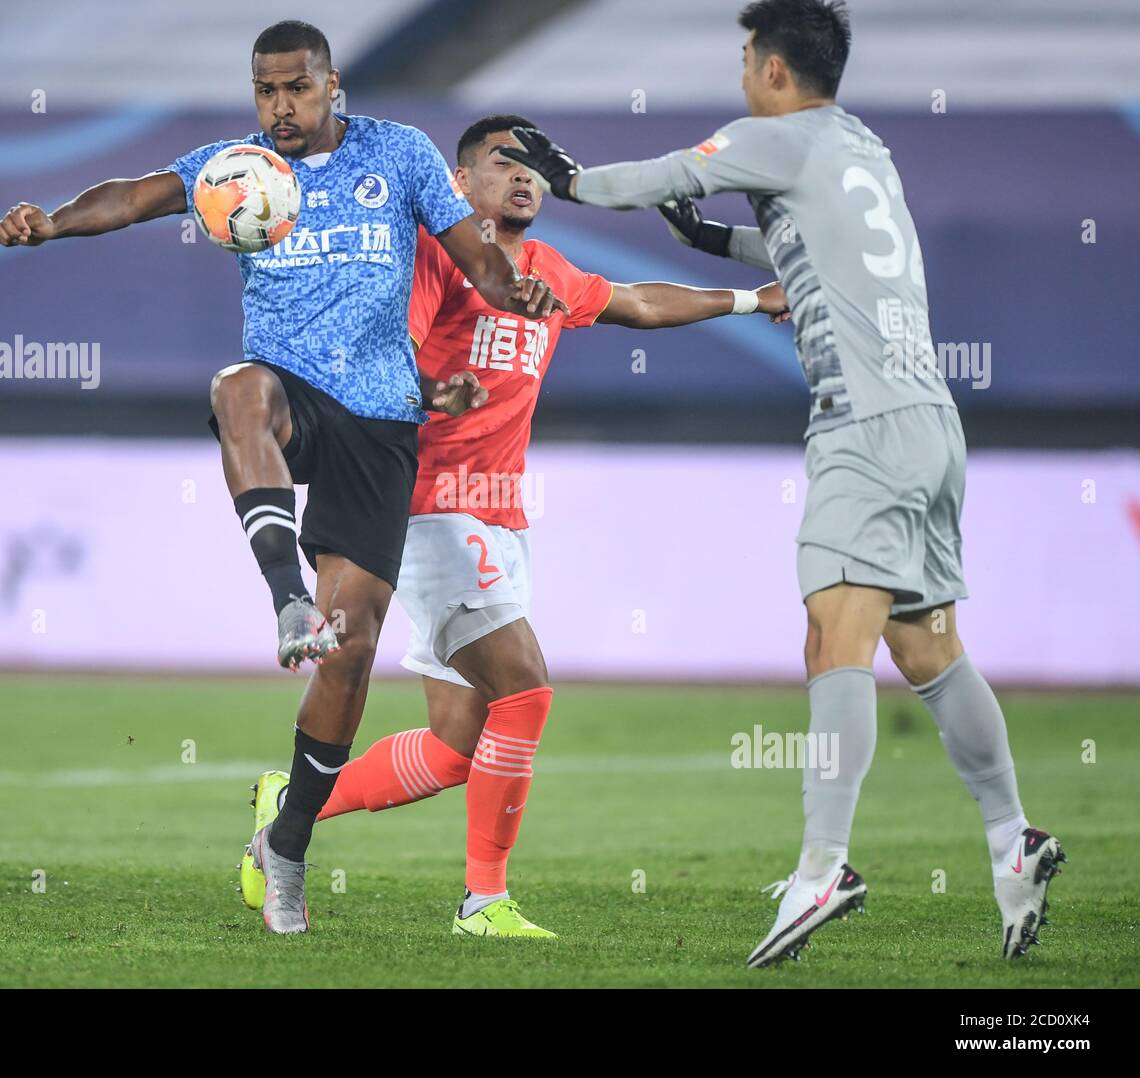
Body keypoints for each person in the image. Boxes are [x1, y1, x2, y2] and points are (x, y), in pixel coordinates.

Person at [496, 0, 1065, 966]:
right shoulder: (860, 148)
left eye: (744, 58)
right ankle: (1013, 840)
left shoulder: (778, 136)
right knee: (926, 646)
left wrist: (574, 180)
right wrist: (719, 246)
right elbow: (822, 256)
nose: (741, 75)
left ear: (769, 69)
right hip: (930, 423)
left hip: (866, 426)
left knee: (830, 631)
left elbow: (674, 172)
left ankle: (823, 866)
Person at [0, 20, 565, 936]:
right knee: (236, 390)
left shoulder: (401, 155)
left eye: (296, 89)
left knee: (352, 653)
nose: (280, 108)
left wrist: (511, 289)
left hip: (380, 421)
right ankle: (282, 596)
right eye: (265, 91)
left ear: (332, 84)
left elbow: (476, 258)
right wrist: (54, 221)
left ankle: (287, 844)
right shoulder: (238, 170)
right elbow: (139, 195)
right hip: (291, 395)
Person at [239, 114, 788, 938]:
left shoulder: (547, 271)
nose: (524, 175)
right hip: (427, 504)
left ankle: (288, 815)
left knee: (457, 744)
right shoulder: (435, 257)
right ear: (460, 184)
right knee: (525, 689)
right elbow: (389, 353)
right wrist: (435, 388)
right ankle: (483, 904)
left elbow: (637, 301)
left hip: (497, 516)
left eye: (533, 164)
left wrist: (754, 297)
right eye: (503, 161)